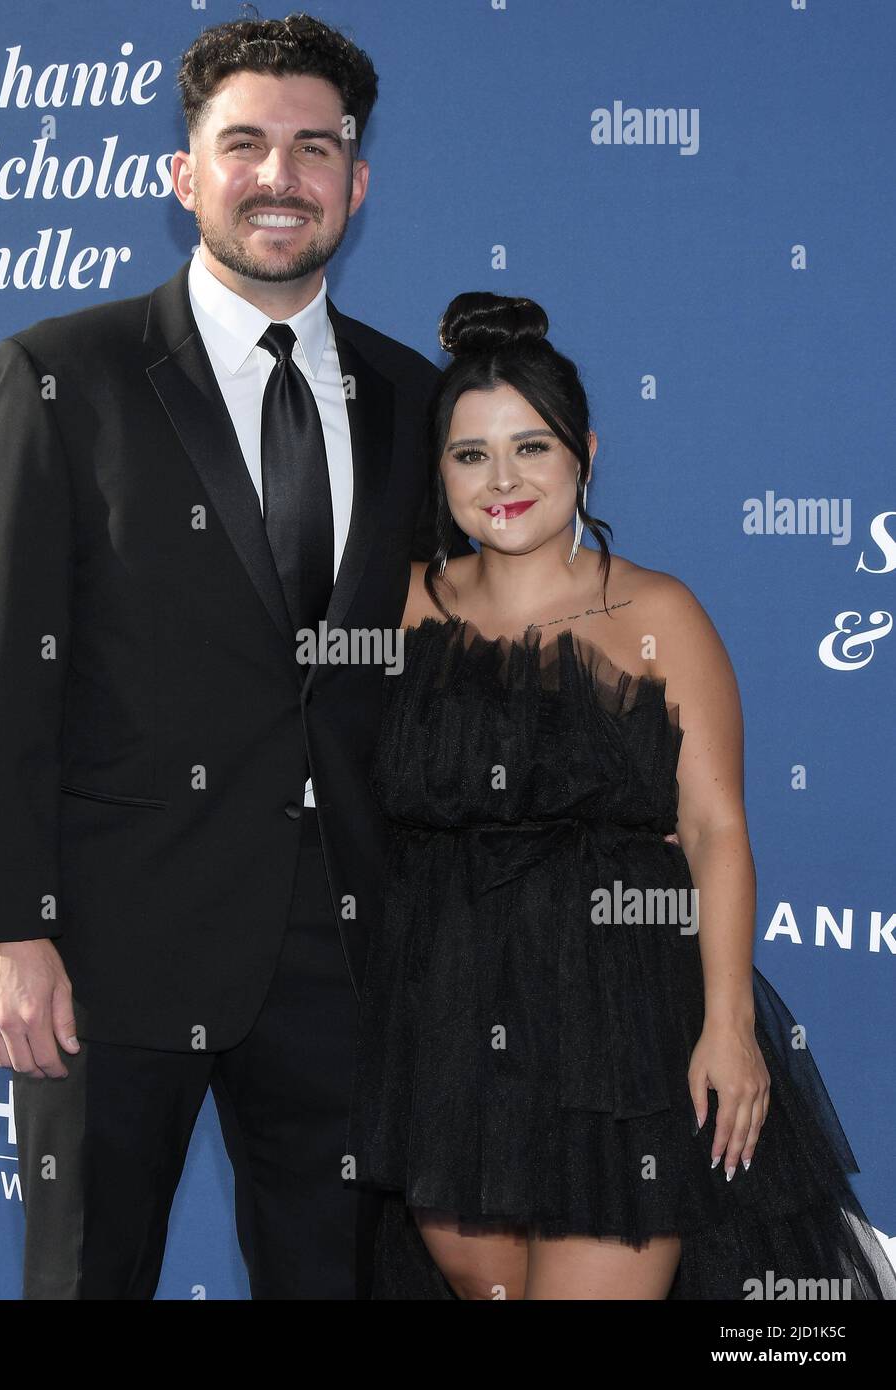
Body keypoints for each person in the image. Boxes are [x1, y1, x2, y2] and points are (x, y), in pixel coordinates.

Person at [0, 13, 469, 1299]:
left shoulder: (412, 399)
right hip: (109, 946)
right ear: (185, 175)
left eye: (313, 147)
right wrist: (7, 926)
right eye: (244, 145)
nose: (279, 176)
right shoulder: (64, 374)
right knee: (84, 1276)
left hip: (346, 948)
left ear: (356, 181)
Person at [345, 291, 896, 1300]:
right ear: (437, 470)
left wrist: (726, 1022)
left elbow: (713, 828)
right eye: (469, 455)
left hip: (619, 1026)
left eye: (531, 448)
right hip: (444, 1031)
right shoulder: (397, 602)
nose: (500, 480)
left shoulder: (659, 611)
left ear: (582, 452)